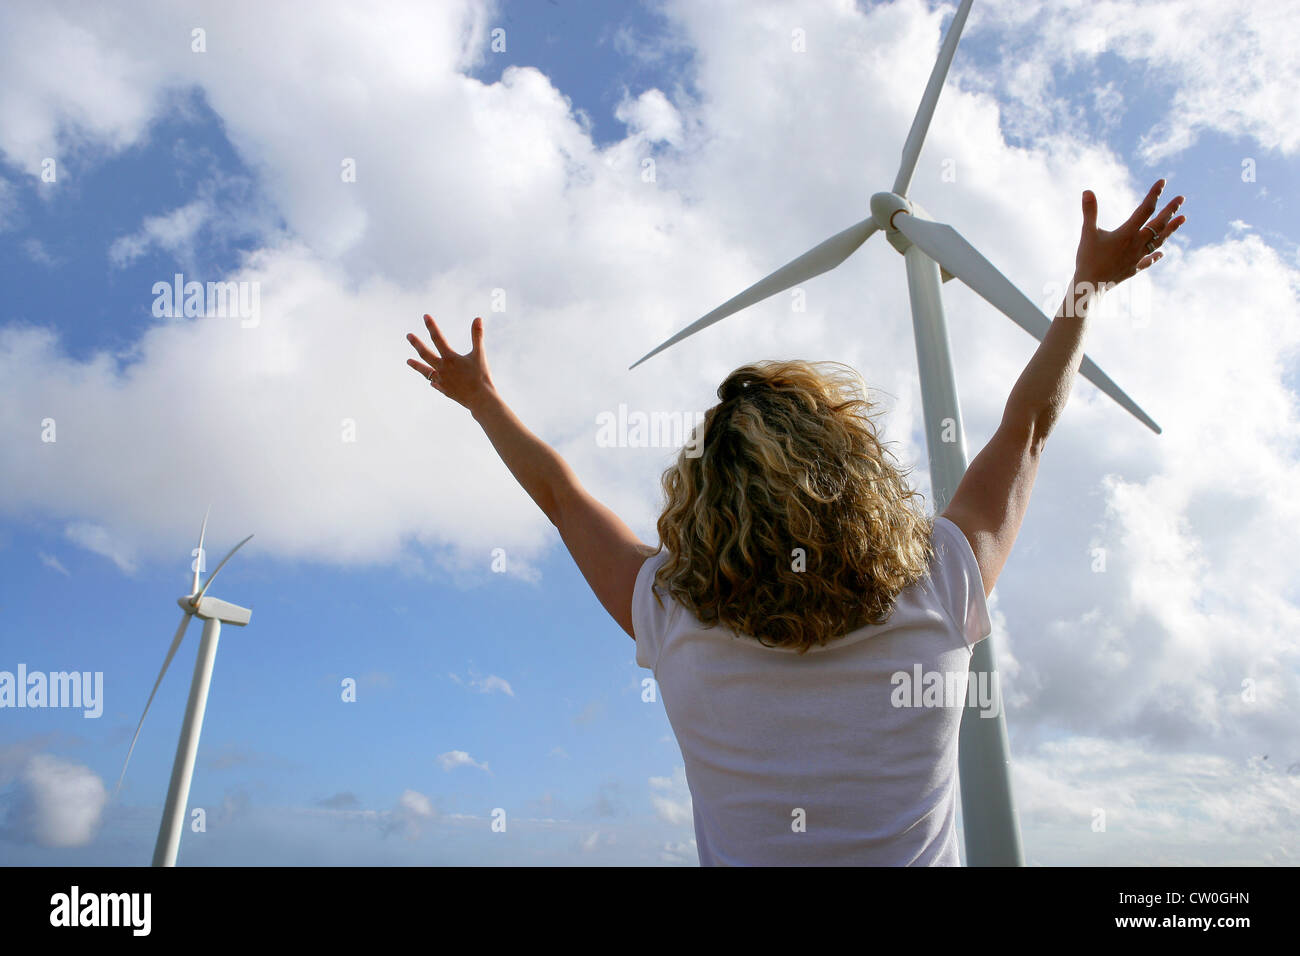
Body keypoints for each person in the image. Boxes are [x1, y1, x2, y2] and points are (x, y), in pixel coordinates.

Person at [405, 181, 1186, 865]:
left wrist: (483, 402)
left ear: (704, 495)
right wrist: (1086, 287)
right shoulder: (943, 582)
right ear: (857, 473)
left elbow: (560, 496)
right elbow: (1026, 429)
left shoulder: (666, 610)